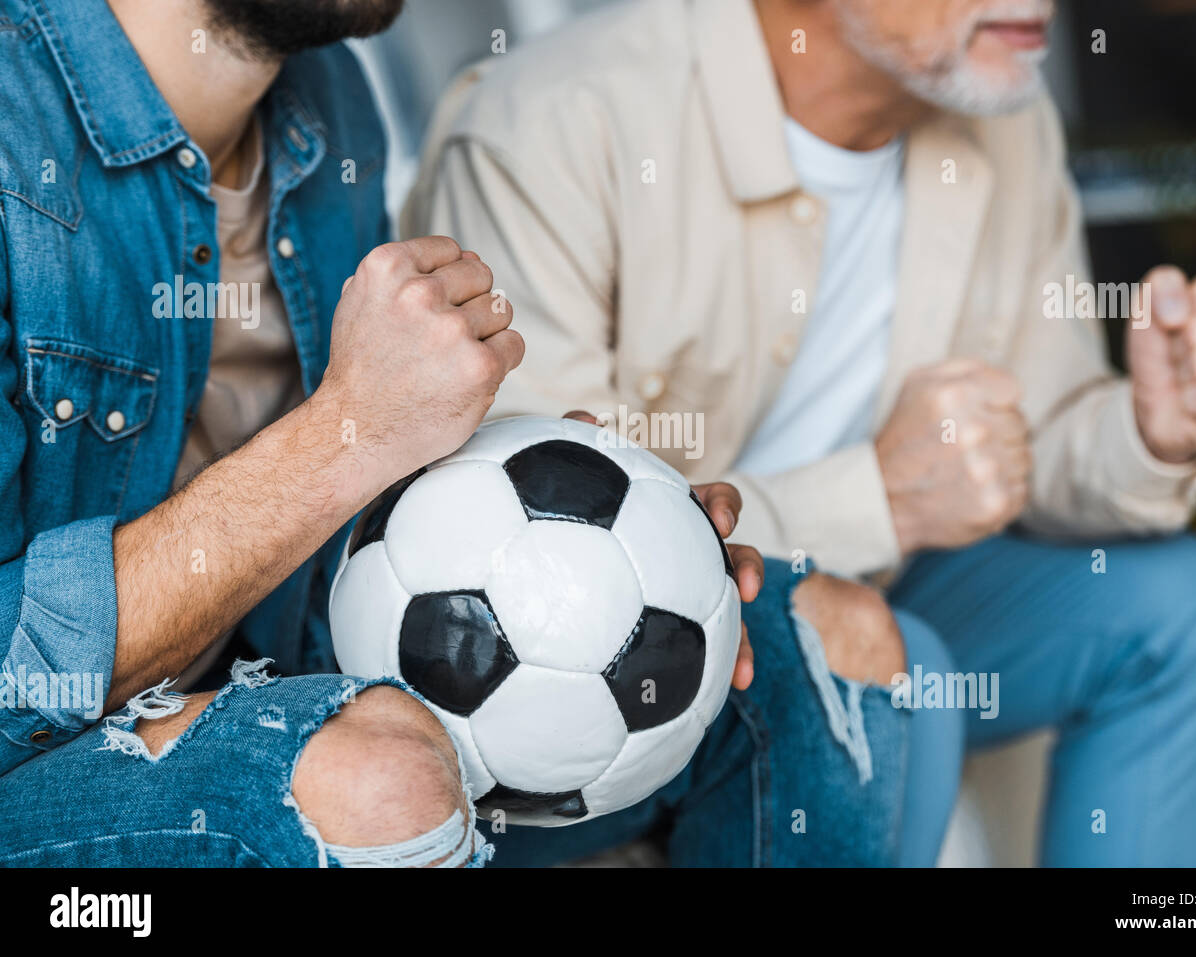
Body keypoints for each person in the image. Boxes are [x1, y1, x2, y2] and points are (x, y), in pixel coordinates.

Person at [406, 0, 1196, 865]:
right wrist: (880, 499)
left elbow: (1030, 439)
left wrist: (1151, 430)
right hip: (612, 669)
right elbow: (550, 564)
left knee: (1186, 603)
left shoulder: (1002, 116)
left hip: (893, 587)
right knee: (882, 664)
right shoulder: (557, 121)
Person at [0, 0, 762, 868]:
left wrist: (592, 545)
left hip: (240, 697)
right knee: (382, 779)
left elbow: (332, 554)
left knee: (783, 643)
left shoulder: (328, 96)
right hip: (32, 771)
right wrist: (347, 435)